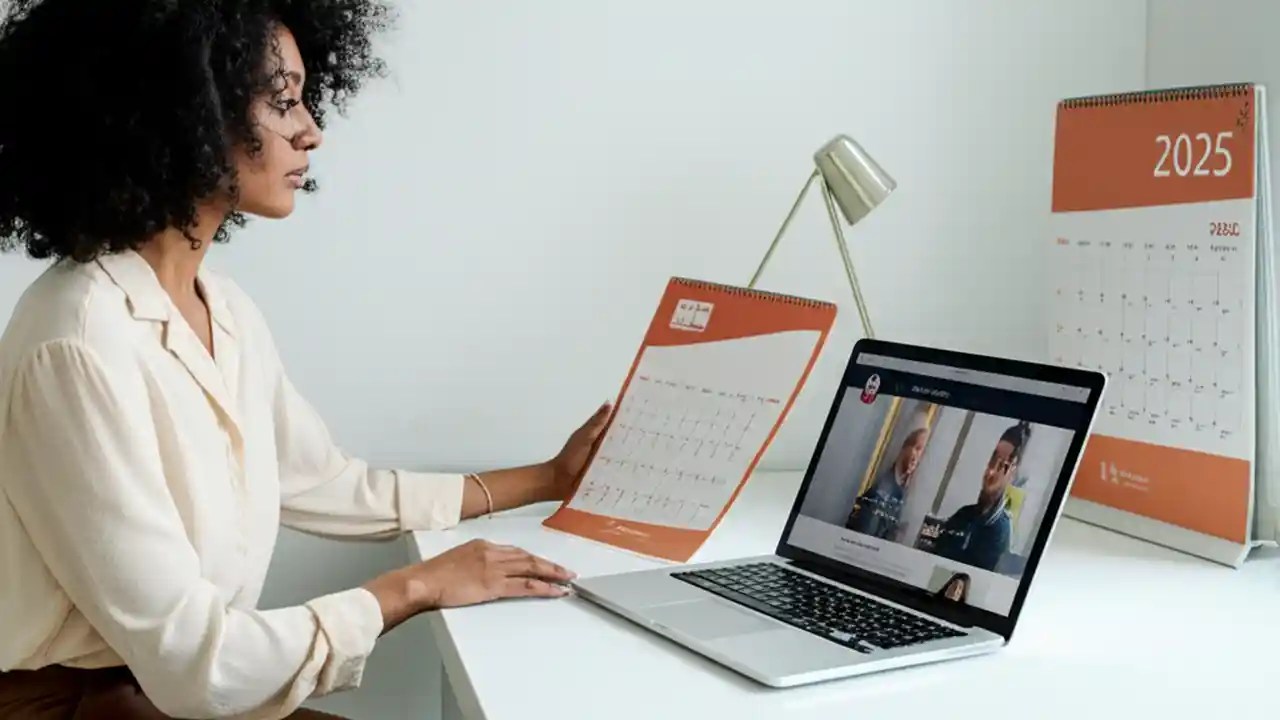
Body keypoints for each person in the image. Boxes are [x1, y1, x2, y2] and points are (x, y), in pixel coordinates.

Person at [0, 2, 608, 718]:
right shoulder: (77, 342)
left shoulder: (220, 309)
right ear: (182, 112)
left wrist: (545, 478)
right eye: (282, 100)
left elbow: (327, 483)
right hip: (70, 704)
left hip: (169, 694)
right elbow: (195, 660)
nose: (311, 129)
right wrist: (411, 588)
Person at [931, 421, 1031, 572]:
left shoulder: (1000, 532)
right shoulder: (963, 514)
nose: (990, 472)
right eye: (992, 460)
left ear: (1012, 474)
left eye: (1002, 466)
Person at [846, 417, 930, 540]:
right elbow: (864, 539)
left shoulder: (904, 492)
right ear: (904, 447)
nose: (916, 458)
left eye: (922, 453)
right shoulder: (881, 492)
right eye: (916, 448)